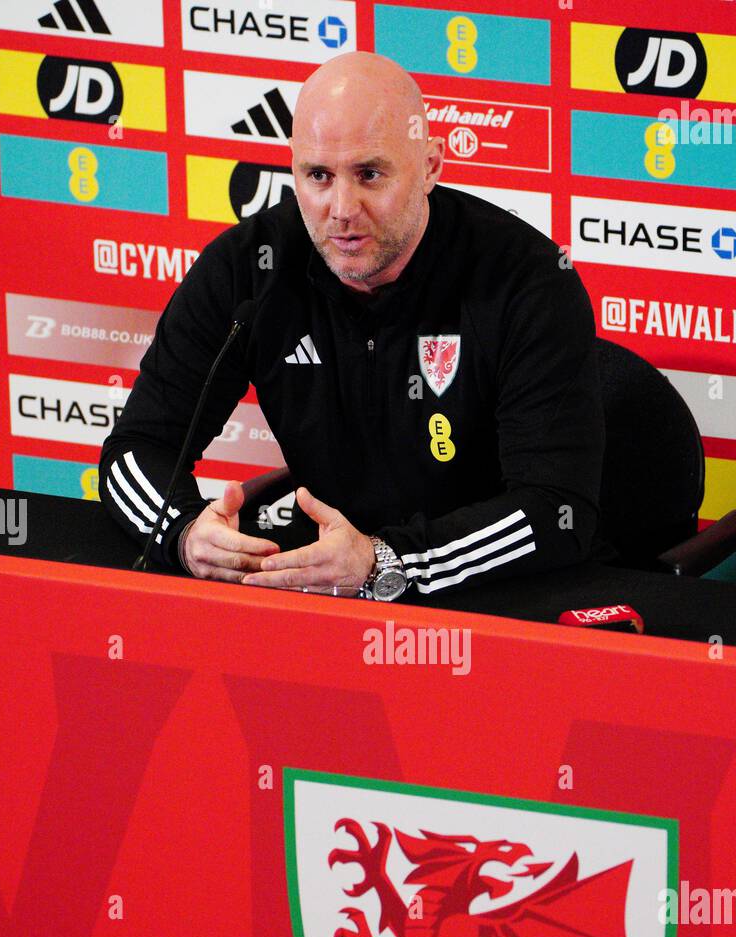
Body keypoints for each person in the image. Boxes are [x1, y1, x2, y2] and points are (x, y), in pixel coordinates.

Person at [99, 51, 605, 600]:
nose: (342, 208)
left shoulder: (528, 282)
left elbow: (556, 510)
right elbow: (136, 447)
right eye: (318, 175)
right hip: (322, 587)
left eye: (370, 174)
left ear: (430, 166)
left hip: (490, 595)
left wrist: (387, 563)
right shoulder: (247, 270)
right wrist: (183, 533)